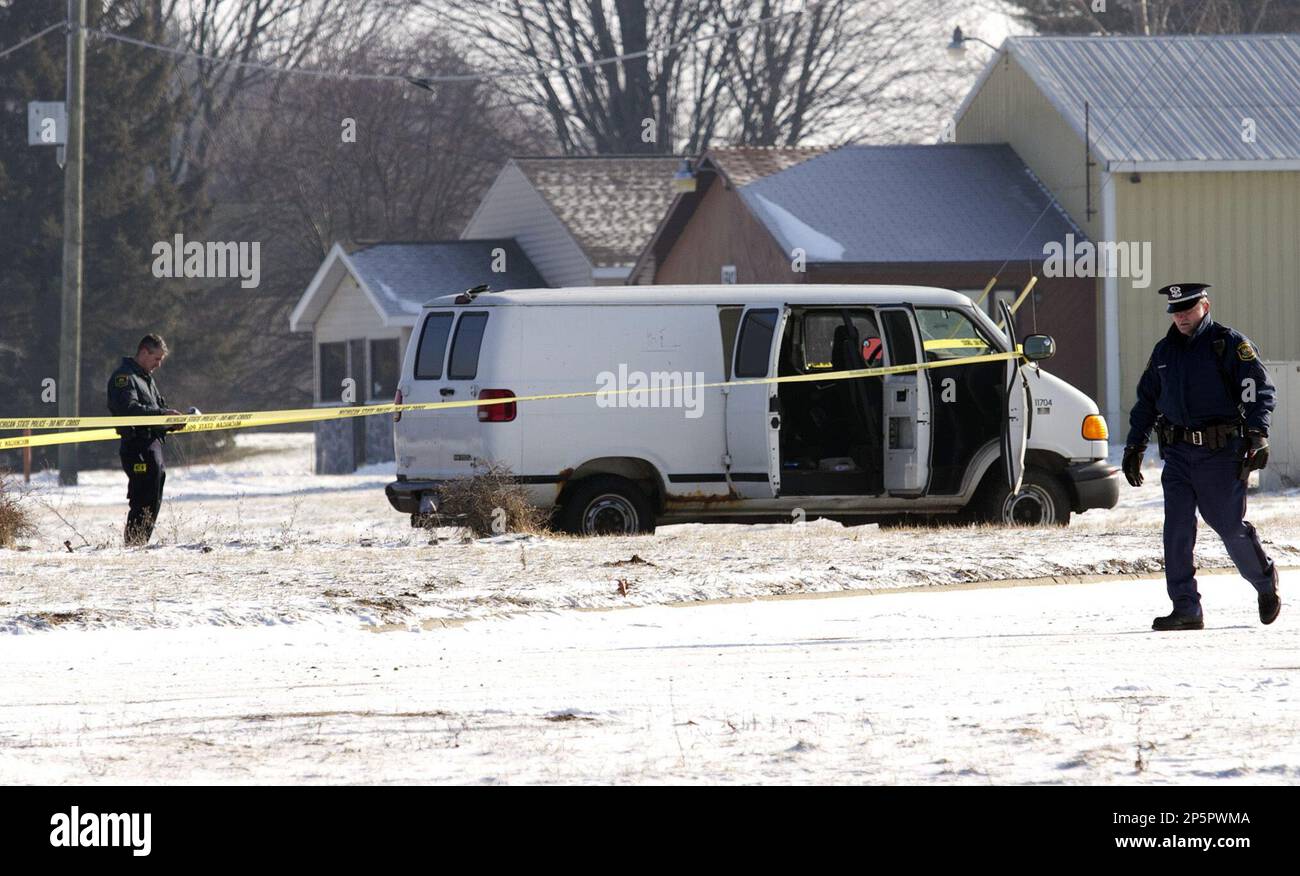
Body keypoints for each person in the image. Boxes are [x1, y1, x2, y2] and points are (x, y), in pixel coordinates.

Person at [1122, 283, 1280, 631]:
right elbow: (1147, 401)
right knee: (1176, 529)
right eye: (1176, 311)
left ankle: (1265, 581)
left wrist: (1258, 433)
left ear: (1204, 307)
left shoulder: (1229, 344)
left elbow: (1259, 391)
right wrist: (1134, 445)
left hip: (1220, 453)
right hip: (1177, 454)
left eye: (1188, 309)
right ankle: (1186, 608)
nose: (1180, 316)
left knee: (1227, 525)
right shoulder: (1164, 352)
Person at [107, 334, 183, 546]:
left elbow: (154, 411)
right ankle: (133, 544)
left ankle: (141, 543)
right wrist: (163, 415)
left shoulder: (146, 379)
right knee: (142, 497)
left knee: (153, 495)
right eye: (156, 359)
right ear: (143, 352)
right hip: (136, 445)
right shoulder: (124, 378)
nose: (158, 365)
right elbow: (129, 410)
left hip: (153, 444)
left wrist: (169, 423)